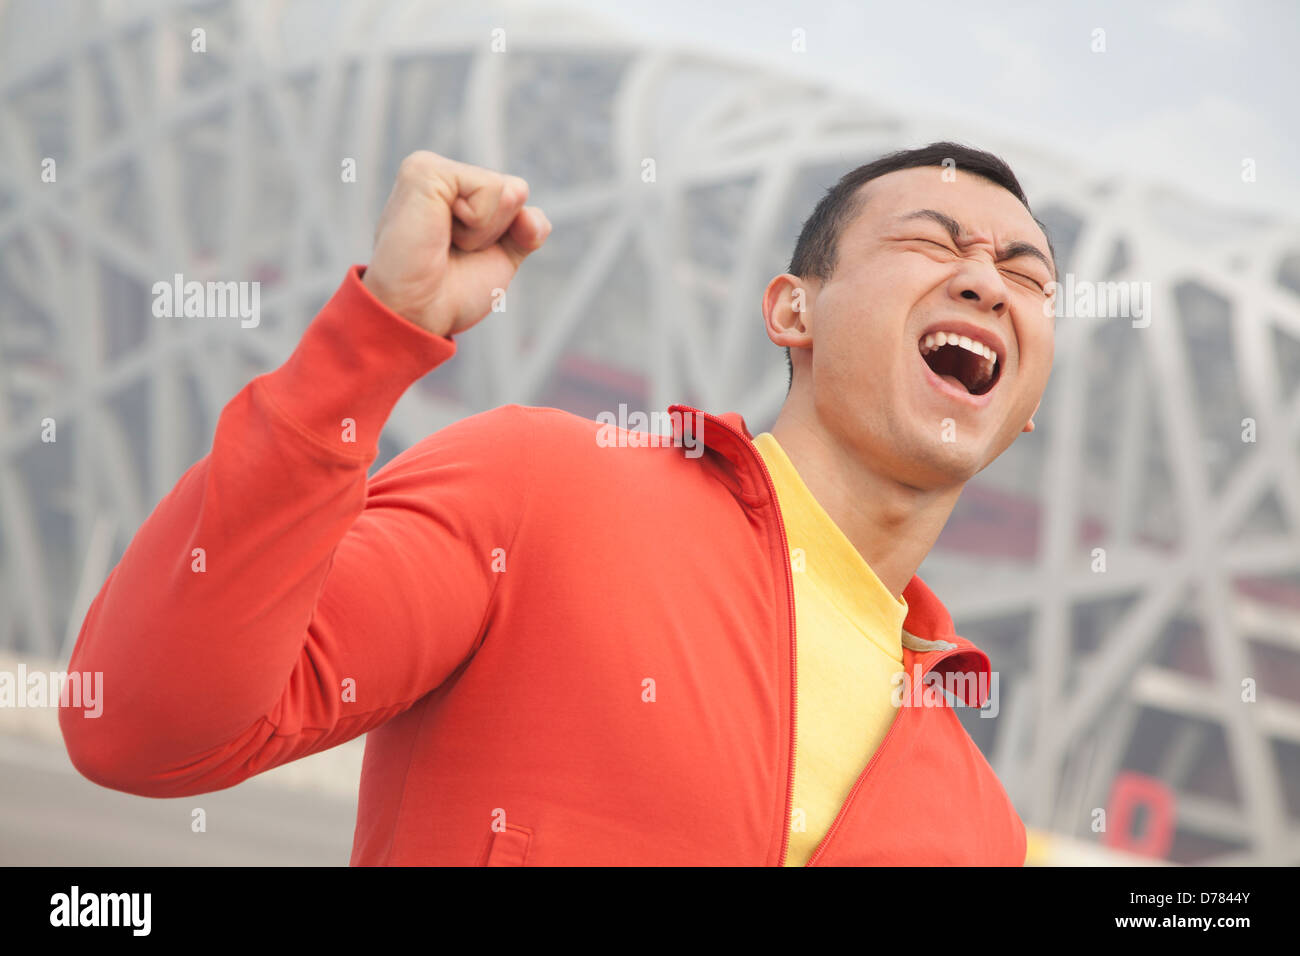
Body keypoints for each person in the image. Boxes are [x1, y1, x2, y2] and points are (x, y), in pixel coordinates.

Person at [60, 141, 1055, 866]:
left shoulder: (977, 828)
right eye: (933, 245)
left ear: (1027, 405)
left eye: (1024, 274)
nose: (986, 282)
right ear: (791, 308)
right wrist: (370, 344)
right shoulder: (542, 492)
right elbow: (149, 727)